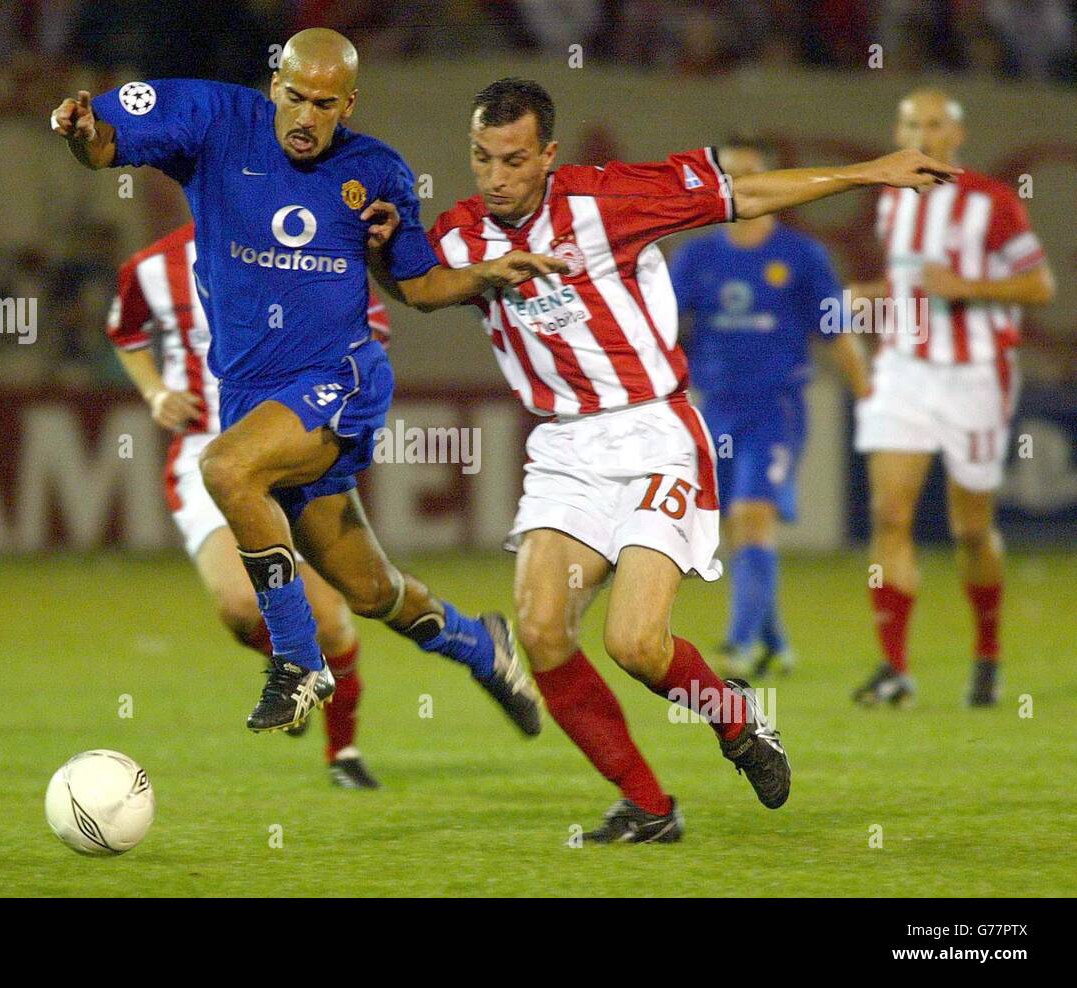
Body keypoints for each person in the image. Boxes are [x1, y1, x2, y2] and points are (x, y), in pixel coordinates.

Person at [418, 77, 959, 842]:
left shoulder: (611, 200)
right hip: (565, 447)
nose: (496, 177)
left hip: (653, 435)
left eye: (513, 160)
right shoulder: (459, 234)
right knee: (540, 632)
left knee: (636, 645)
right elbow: (416, 286)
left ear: (548, 154)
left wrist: (868, 170)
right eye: (481, 159)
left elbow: (744, 193)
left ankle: (736, 718)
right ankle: (648, 806)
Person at [53, 29, 565, 735]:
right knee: (370, 590)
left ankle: (299, 662)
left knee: (226, 469)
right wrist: (82, 132)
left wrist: (483, 276)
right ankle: (483, 646)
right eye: (295, 97)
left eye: (325, 104)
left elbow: (416, 283)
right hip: (252, 397)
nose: (306, 116)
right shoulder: (214, 123)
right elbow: (104, 144)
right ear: (275, 87)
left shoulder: (377, 171)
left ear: (348, 103)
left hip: (340, 379)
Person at [107, 222, 389, 787]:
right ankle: (294, 664)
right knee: (239, 605)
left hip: (291, 449)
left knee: (334, 623)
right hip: (205, 455)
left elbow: (374, 330)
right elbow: (124, 331)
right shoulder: (152, 266)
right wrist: (156, 392)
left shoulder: (306, 246)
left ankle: (344, 756)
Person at [848, 89, 1054, 708]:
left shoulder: (991, 203)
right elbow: (907, 282)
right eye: (912, 123)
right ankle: (894, 670)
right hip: (904, 370)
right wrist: (873, 294)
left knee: (971, 529)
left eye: (934, 125)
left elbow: (1039, 285)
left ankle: (987, 654)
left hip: (975, 376)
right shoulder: (892, 199)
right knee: (890, 516)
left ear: (956, 136)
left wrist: (966, 284)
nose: (922, 134)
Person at [668, 135, 870, 677]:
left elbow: (835, 330)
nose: (742, 187)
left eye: (752, 174)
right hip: (714, 409)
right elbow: (659, 327)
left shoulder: (801, 257)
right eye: (730, 177)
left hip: (775, 406)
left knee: (752, 518)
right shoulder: (696, 258)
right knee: (737, 532)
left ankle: (736, 648)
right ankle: (775, 644)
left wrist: (867, 394)